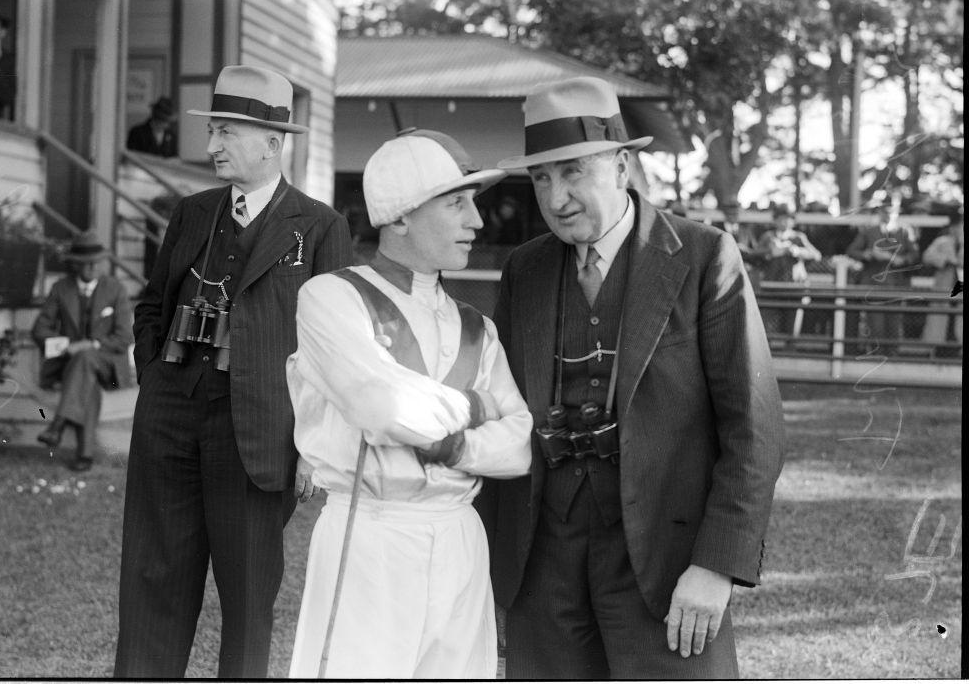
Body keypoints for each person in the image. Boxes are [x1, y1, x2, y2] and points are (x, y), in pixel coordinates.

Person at [476, 76, 785, 679]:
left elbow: (755, 426)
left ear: (620, 167)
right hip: (542, 566)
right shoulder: (525, 269)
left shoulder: (704, 258)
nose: (556, 197)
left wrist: (716, 565)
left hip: (667, 563)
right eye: (541, 178)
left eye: (572, 173)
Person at [114, 65, 353, 678]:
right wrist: (154, 383)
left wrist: (311, 450)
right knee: (151, 583)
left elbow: (334, 350)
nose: (212, 145)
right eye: (213, 130)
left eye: (226, 132)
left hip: (257, 432)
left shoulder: (321, 226)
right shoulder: (191, 212)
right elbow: (151, 306)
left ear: (272, 144)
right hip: (170, 417)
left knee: (248, 602)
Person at [285, 129, 532, 678]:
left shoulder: (479, 327)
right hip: (370, 530)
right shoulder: (332, 297)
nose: (478, 222)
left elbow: (518, 446)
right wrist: (478, 407)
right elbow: (381, 407)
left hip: (460, 534)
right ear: (399, 217)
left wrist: (436, 429)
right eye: (456, 203)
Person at [31, 231, 134, 472]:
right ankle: (84, 455)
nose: (92, 267)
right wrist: (67, 345)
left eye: (97, 262)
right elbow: (39, 331)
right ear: (75, 263)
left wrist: (93, 344)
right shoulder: (60, 288)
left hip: (108, 364)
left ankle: (57, 423)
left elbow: (125, 336)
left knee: (86, 357)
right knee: (85, 376)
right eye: (86, 263)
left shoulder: (116, 289)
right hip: (71, 365)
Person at [844, 199, 920, 355]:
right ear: (879, 213)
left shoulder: (904, 231)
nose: (888, 215)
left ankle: (892, 356)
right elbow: (852, 251)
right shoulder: (868, 231)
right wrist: (869, 254)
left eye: (891, 211)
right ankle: (876, 356)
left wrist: (900, 260)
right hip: (874, 285)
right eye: (884, 211)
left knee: (894, 323)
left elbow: (914, 255)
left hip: (896, 285)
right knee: (875, 324)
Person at [754, 202, 822, 342]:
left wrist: (797, 251)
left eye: (787, 218)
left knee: (792, 329)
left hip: (794, 288)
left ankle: (791, 352)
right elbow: (754, 255)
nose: (784, 222)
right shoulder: (768, 237)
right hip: (771, 288)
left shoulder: (798, 237)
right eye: (781, 218)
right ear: (775, 220)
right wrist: (770, 252)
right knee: (765, 326)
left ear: (792, 221)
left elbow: (816, 255)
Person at [921, 212, 963, 353]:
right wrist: (944, 260)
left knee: (958, 322)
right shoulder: (942, 241)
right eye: (957, 226)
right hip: (944, 289)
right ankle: (936, 350)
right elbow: (927, 257)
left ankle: (957, 349)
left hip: (960, 291)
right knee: (940, 321)